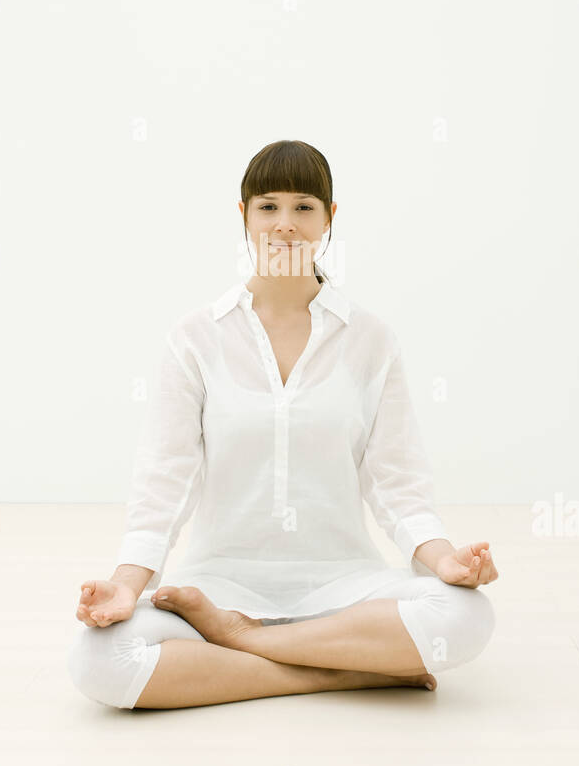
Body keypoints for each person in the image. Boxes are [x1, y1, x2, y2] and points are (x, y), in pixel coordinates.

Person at [67, 139, 498, 711]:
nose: (285, 225)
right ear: (243, 214)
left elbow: (397, 483)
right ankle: (345, 674)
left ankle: (248, 642)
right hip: (218, 585)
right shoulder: (195, 338)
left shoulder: (370, 339)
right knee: (99, 662)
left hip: (344, 585)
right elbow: (164, 482)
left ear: (329, 219)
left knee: (466, 615)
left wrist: (445, 560)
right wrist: (126, 585)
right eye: (268, 206)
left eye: (303, 207)